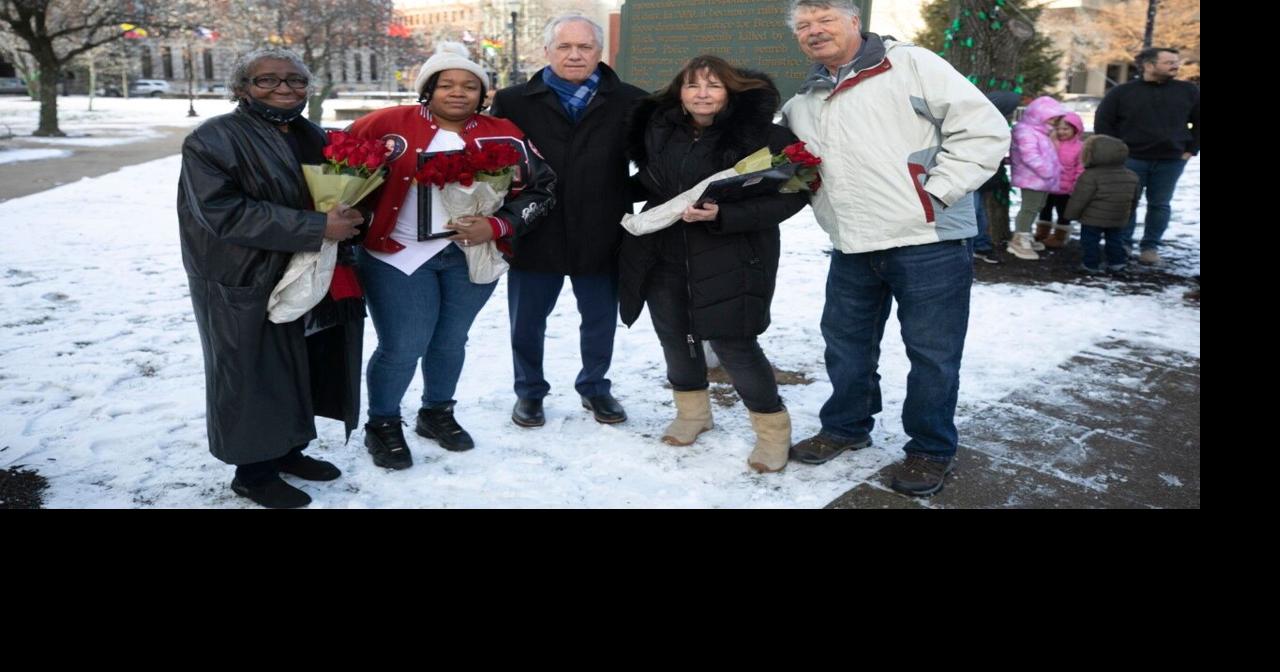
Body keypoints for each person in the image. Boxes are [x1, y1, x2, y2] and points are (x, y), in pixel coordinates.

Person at [780, 0, 1010, 496]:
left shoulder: (911, 64)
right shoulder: (804, 100)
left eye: (825, 19)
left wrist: (937, 192)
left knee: (932, 354)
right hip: (852, 244)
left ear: (854, 21)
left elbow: (985, 130)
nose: (814, 31)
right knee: (846, 346)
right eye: (803, 25)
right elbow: (797, 168)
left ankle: (930, 448)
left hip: (928, 242)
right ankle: (846, 427)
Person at [348, 46, 555, 468]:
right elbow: (336, 163)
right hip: (397, 254)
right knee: (403, 345)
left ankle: (436, 412)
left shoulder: (504, 131)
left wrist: (497, 226)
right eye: (446, 84)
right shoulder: (386, 124)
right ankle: (383, 423)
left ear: (482, 93)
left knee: (450, 340)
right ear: (428, 88)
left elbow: (543, 188)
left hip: (469, 256)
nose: (458, 92)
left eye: (469, 86)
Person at [178, 47, 365, 508]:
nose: (284, 88)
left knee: (303, 363)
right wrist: (317, 227)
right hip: (244, 276)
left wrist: (351, 211)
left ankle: (288, 450)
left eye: (295, 80)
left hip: (306, 268)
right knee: (253, 373)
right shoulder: (213, 138)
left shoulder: (312, 134)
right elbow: (222, 212)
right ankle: (253, 473)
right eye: (268, 80)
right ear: (242, 88)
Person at [620, 55, 808, 473]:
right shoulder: (662, 130)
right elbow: (654, 181)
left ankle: (772, 433)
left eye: (713, 85)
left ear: (731, 91)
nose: (702, 94)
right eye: (692, 85)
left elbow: (793, 194)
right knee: (675, 335)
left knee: (733, 342)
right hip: (664, 251)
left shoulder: (766, 137)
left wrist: (725, 215)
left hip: (733, 254)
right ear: (680, 93)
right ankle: (693, 415)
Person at [489, 12, 648, 428]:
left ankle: (595, 387)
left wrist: (619, 193)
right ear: (547, 51)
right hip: (535, 230)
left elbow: (653, 165)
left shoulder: (632, 101)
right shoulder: (513, 102)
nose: (574, 54)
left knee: (599, 320)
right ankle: (529, 392)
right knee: (526, 322)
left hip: (603, 231)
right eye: (564, 46)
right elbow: (493, 166)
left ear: (600, 51)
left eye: (584, 47)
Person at [1095, 47, 1200, 265]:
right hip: (1131, 158)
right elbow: (1104, 122)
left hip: (1171, 159)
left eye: (1176, 62)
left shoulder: (1188, 91)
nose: (1175, 66)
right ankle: (1122, 245)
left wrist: (1191, 149)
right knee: (1127, 203)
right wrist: (1116, 151)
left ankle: (1150, 248)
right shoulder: (1122, 92)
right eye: (1169, 62)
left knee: (1160, 204)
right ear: (1149, 65)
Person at [1062, 135, 1141, 275]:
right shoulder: (1132, 175)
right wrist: (1129, 214)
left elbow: (1080, 199)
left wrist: (1070, 215)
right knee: (1115, 240)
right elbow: (1134, 199)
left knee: (1090, 241)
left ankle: (1090, 265)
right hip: (1118, 217)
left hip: (1092, 218)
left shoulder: (1090, 175)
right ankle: (1117, 264)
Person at [1008, 95, 1068, 260]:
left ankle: (1025, 235)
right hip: (1032, 178)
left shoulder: (1041, 132)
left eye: (1055, 118)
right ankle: (1019, 240)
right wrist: (1047, 170)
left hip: (1041, 179)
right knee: (1029, 208)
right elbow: (1030, 156)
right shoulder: (1025, 131)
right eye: (1051, 118)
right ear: (1038, 115)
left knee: (1036, 207)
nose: (1054, 121)